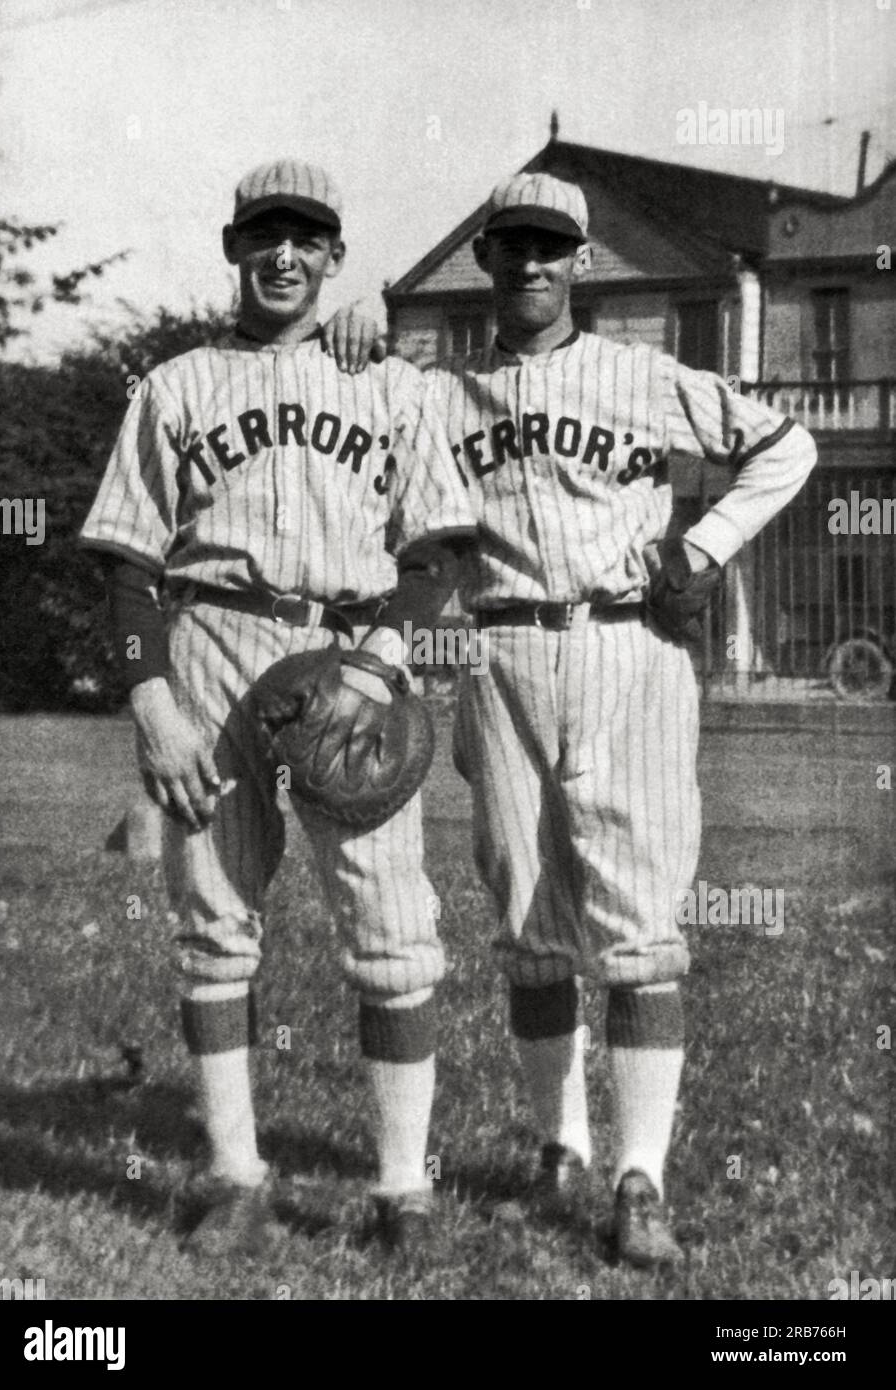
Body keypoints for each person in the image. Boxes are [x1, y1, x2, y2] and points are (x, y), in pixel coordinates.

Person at [326, 170, 817, 1266]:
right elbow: (335, 394)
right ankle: (562, 1147)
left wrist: (704, 545)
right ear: (486, 261)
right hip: (499, 651)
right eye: (514, 246)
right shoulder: (438, 392)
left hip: (624, 645)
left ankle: (640, 1176)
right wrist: (350, 321)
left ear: (582, 264)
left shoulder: (642, 376)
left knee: (638, 923)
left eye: (553, 247)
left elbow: (787, 448)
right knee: (529, 915)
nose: (533, 264)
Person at [80, 159, 475, 1257]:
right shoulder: (171, 387)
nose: (285, 254)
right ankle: (235, 1173)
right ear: (232, 246)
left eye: (307, 236)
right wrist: (150, 699)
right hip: (207, 639)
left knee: (393, 928)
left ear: (336, 256)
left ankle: (404, 1189)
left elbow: (436, 546)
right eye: (265, 234)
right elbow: (125, 562)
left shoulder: (388, 382)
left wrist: (382, 655)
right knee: (212, 922)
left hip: (345, 651)